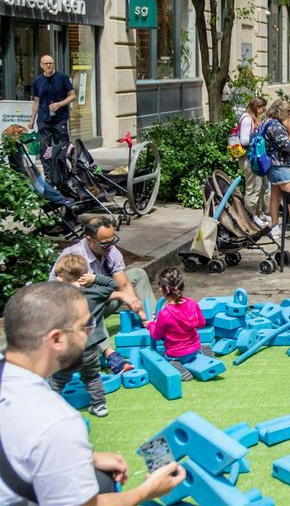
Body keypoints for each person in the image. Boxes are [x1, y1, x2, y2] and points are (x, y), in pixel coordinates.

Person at [0, 281, 186, 504]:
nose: (92, 335)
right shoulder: (57, 421)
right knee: (102, 484)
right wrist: (147, 490)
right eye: (86, 327)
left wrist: (89, 457)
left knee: (100, 478)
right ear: (57, 339)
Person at [51, 216, 155, 375]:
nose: (111, 246)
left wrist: (140, 310)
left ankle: (155, 321)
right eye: (105, 243)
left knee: (138, 274)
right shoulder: (75, 259)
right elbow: (80, 298)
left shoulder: (112, 251)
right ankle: (110, 355)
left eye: (113, 240)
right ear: (90, 239)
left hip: (99, 297)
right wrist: (121, 295)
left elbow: (123, 285)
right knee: (89, 308)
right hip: (71, 312)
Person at [49, 254, 116, 417]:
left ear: (60, 278)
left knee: (58, 379)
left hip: (69, 349)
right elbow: (113, 284)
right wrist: (95, 278)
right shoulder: (95, 294)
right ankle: (99, 405)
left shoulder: (57, 297)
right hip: (90, 348)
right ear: (84, 275)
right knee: (92, 377)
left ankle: (49, 406)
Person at [145, 267, 206, 380]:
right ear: (183, 285)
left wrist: (150, 324)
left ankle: (176, 365)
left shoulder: (164, 313)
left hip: (177, 354)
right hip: (195, 348)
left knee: (169, 358)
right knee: (196, 348)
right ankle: (200, 353)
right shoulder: (192, 303)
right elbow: (202, 323)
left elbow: (157, 336)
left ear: (163, 289)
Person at [260, 98, 290, 233]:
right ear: (283, 112)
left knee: (275, 195)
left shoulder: (265, 122)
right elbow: (287, 146)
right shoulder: (276, 126)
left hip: (271, 164)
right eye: (288, 112)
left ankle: (275, 225)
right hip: (279, 165)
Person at [28, 54, 75, 147]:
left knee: (63, 146)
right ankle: (47, 157)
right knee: (45, 148)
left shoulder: (63, 78)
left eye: (51, 63)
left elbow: (73, 96)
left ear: (54, 64)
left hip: (59, 119)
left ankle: (62, 157)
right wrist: (32, 120)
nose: (48, 65)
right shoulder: (37, 80)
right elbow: (36, 102)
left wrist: (60, 104)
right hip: (43, 119)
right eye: (46, 63)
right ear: (41, 65)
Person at [236, 97, 269, 224]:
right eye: (262, 109)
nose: (262, 111)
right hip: (249, 159)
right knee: (253, 188)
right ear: (256, 107)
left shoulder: (250, 118)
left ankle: (258, 213)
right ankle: (251, 217)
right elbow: (244, 140)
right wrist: (257, 136)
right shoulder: (247, 119)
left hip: (252, 158)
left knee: (258, 186)